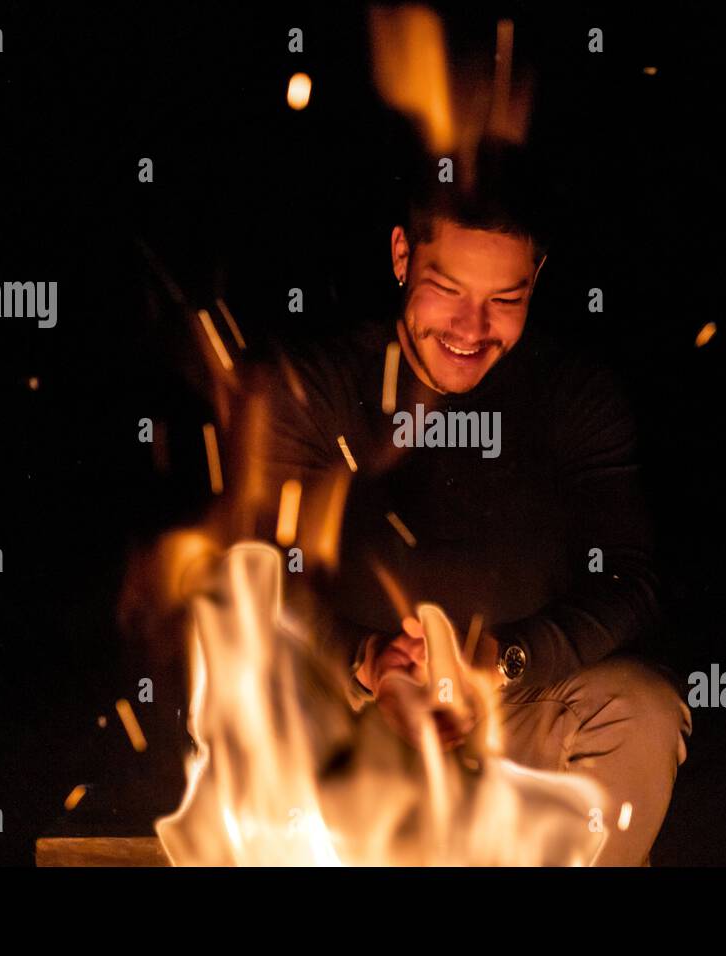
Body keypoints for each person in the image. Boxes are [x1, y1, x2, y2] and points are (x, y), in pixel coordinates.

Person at [260, 148, 691, 865]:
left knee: (640, 710)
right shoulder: (317, 388)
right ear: (402, 254)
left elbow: (631, 580)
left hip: (515, 705)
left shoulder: (574, 395)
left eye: (505, 299)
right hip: (354, 708)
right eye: (447, 288)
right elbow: (257, 576)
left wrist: (504, 659)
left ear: (538, 278)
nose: (471, 326)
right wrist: (363, 660)